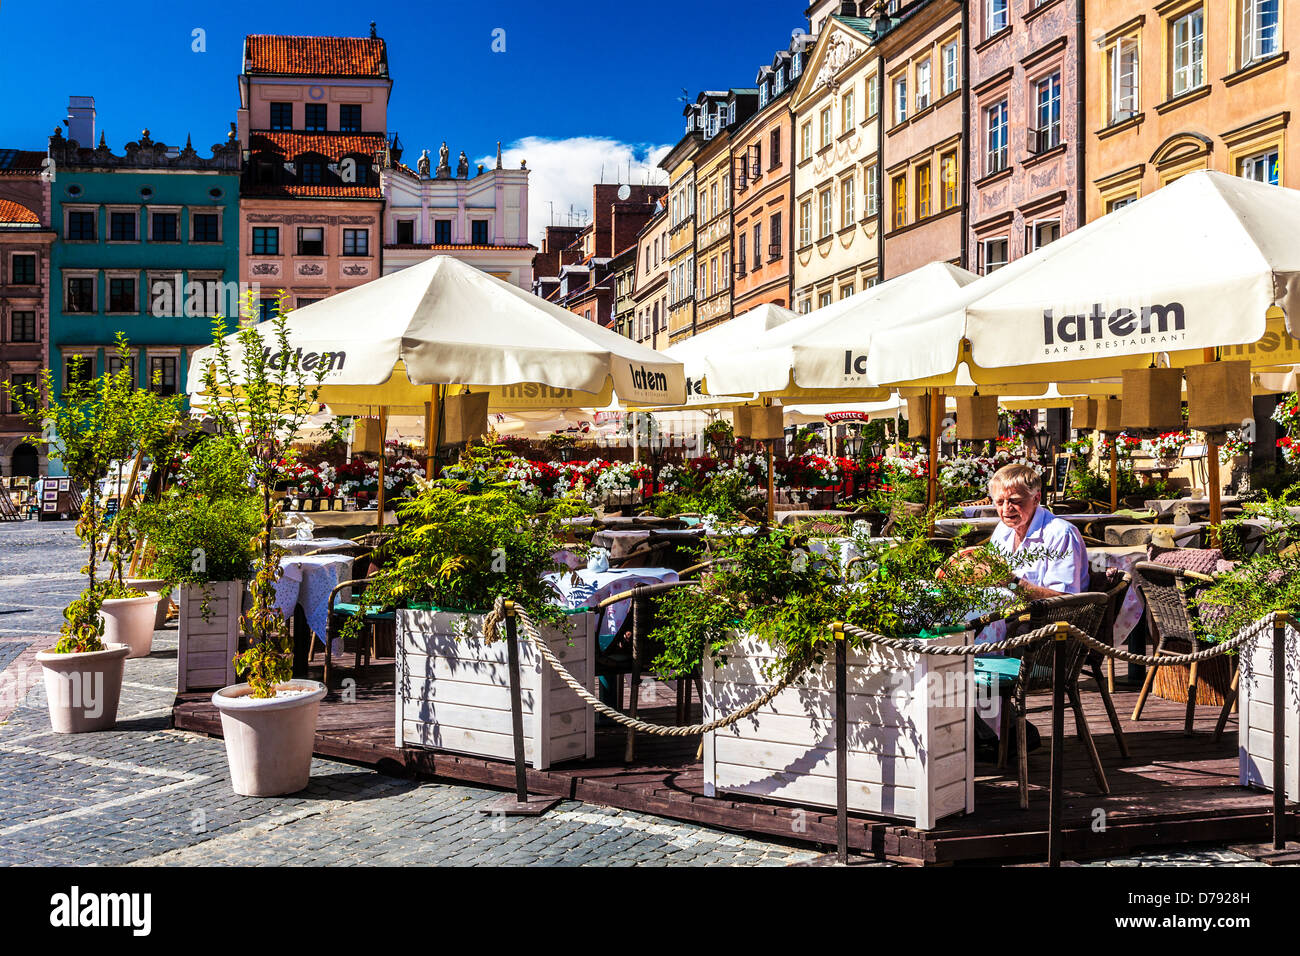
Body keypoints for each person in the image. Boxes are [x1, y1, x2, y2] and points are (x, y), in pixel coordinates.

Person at [986, 462, 1088, 599]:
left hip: (1043, 618)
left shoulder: (1060, 534)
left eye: (1015, 501)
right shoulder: (1003, 529)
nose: (1006, 509)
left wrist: (1011, 582)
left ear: (1036, 498)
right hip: (1002, 612)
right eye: (999, 502)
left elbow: (1062, 599)